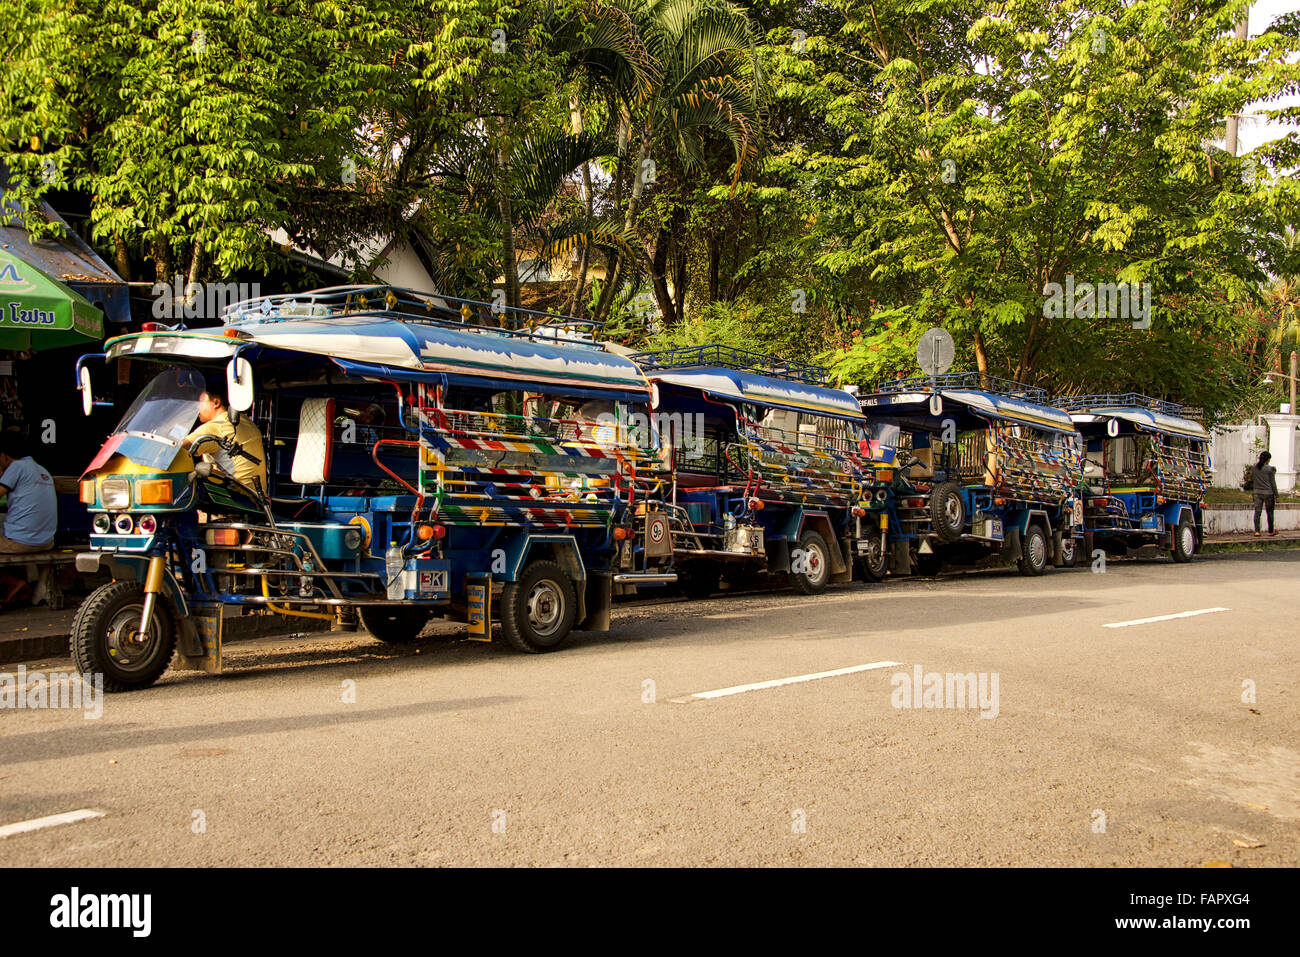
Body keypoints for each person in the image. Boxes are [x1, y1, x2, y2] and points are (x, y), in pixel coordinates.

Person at [183, 381, 269, 493]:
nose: (196, 408)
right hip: (255, 499)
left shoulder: (217, 427)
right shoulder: (246, 421)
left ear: (216, 402)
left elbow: (178, 449)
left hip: (235, 500)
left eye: (200, 402)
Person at [1250, 450, 1279, 537]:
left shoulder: (1254, 467)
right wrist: (1277, 495)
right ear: (1268, 459)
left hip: (1256, 492)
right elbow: (1273, 483)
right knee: (1269, 512)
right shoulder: (1270, 469)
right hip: (1268, 493)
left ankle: (1257, 531)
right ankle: (1270, 531)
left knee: (1257, 512)